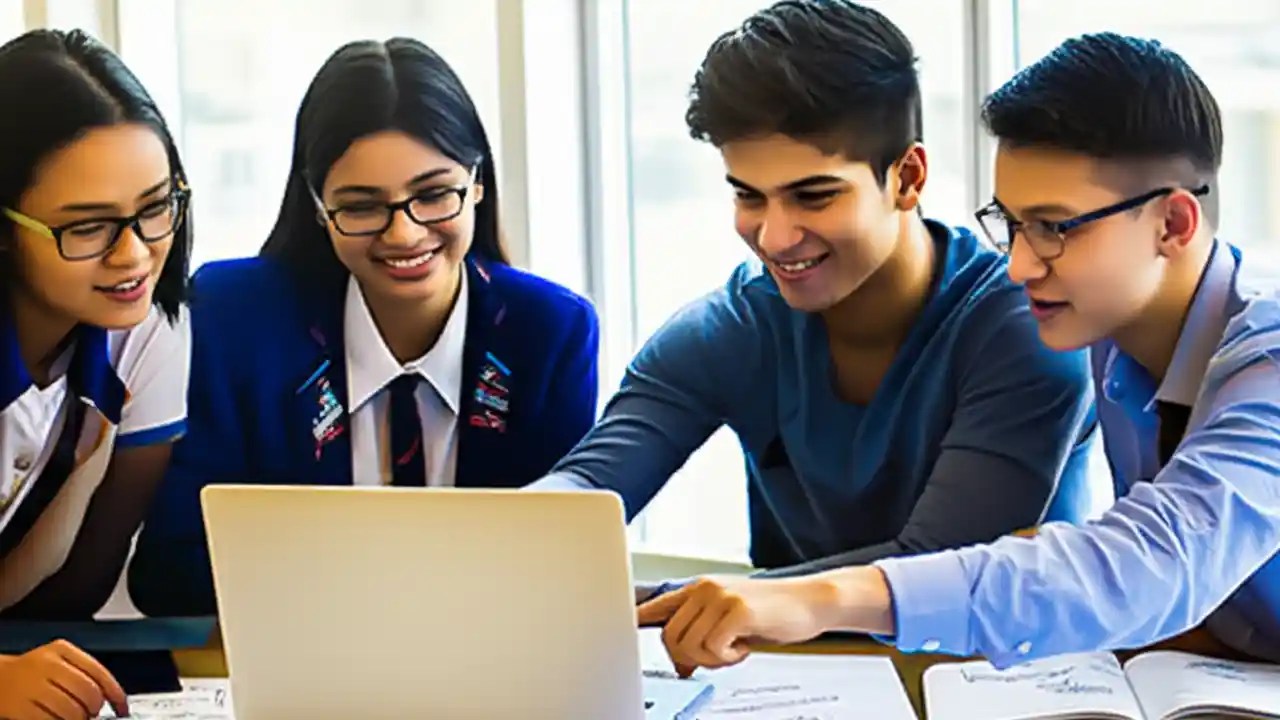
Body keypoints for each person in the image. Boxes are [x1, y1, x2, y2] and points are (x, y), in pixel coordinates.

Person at [637, 31, 1280, 675]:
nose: (1021, 264)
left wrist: (819, 598)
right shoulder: (1112, 334)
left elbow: (1157, 561)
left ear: (1172, 224)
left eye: (1055, 228)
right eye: (1012, 223)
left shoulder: (1268, 355)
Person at [531, 0, 1098, 584]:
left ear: (907, 178)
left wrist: (689, 601)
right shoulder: (729, 330)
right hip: (798, 673)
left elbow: (943, 570)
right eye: (749, 196)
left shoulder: (1023, 324)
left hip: (996, 671)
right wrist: (504, 534)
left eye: (814, 196)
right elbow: (583, 495)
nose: (774, 237)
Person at [128, 37, 600, 617]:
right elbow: (171, 573)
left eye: (433, 196)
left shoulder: (549, 332)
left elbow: (564, 570)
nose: (403, 235)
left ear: (477, 183)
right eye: (361, 206)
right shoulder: (235, 317)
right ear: (317, 204)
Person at [0, 28, 194, 720]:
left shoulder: (149, 326)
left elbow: (80, 582)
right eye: (87, 227)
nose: (136, 255)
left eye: (154, 207)